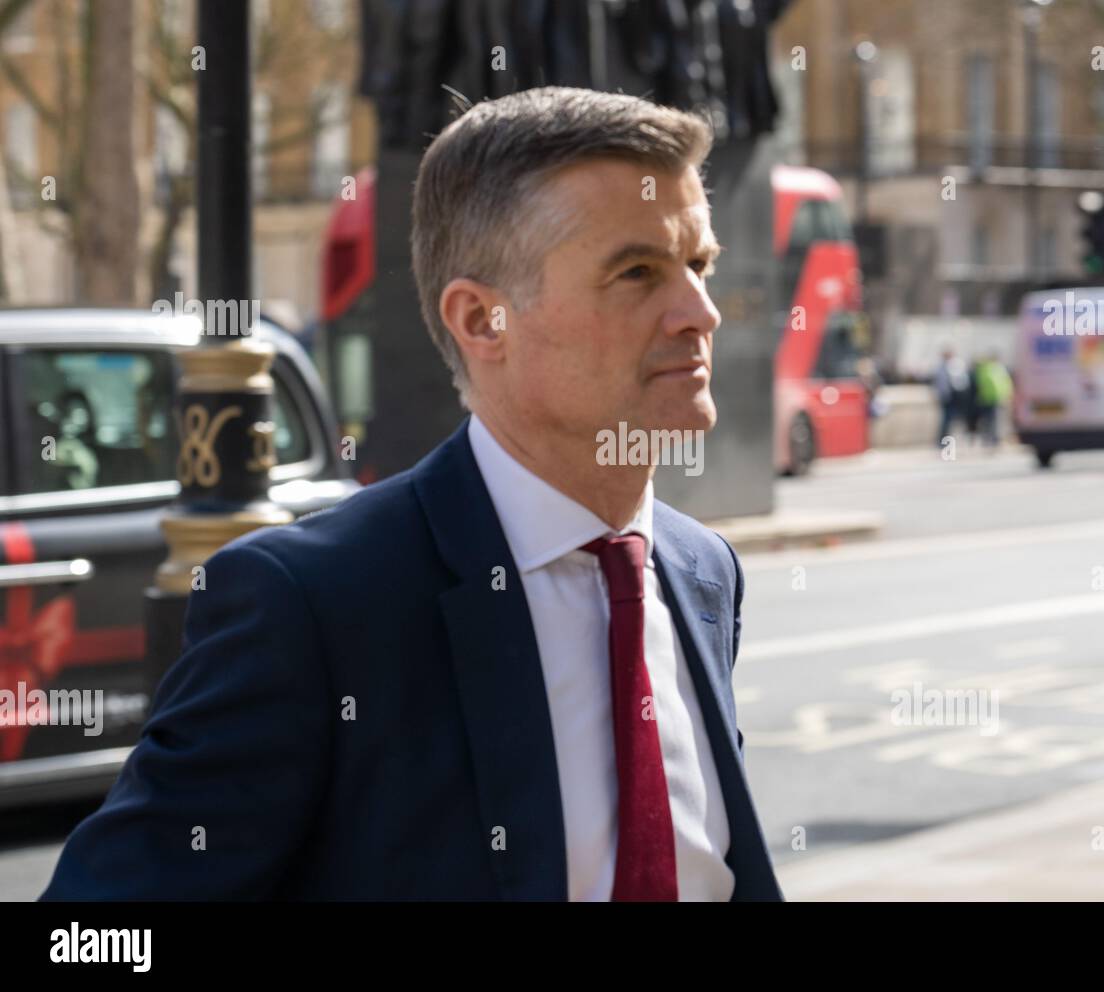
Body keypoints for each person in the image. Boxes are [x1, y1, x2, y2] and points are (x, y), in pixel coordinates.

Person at [40, 88, 781, 902]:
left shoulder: (702, 571)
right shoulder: (312, 606)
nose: (699, 312)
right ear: (481, 320)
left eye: (699, 265)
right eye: (637, 271)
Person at [973, 350, 1013, 448]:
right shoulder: (994, 368)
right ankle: (992, 440)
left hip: (991, 398)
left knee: (992, 421)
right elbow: (1004, 383)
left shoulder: (987, 368)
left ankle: (991, 439)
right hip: (992, 398)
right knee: (993, 421)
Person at [932, 346, 969, 448]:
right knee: (947, 419)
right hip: (948, 397)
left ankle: (947, 440)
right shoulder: (945, 366)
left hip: (951, 397)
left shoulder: (950, 365)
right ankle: (945, 440)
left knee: (950, 420)